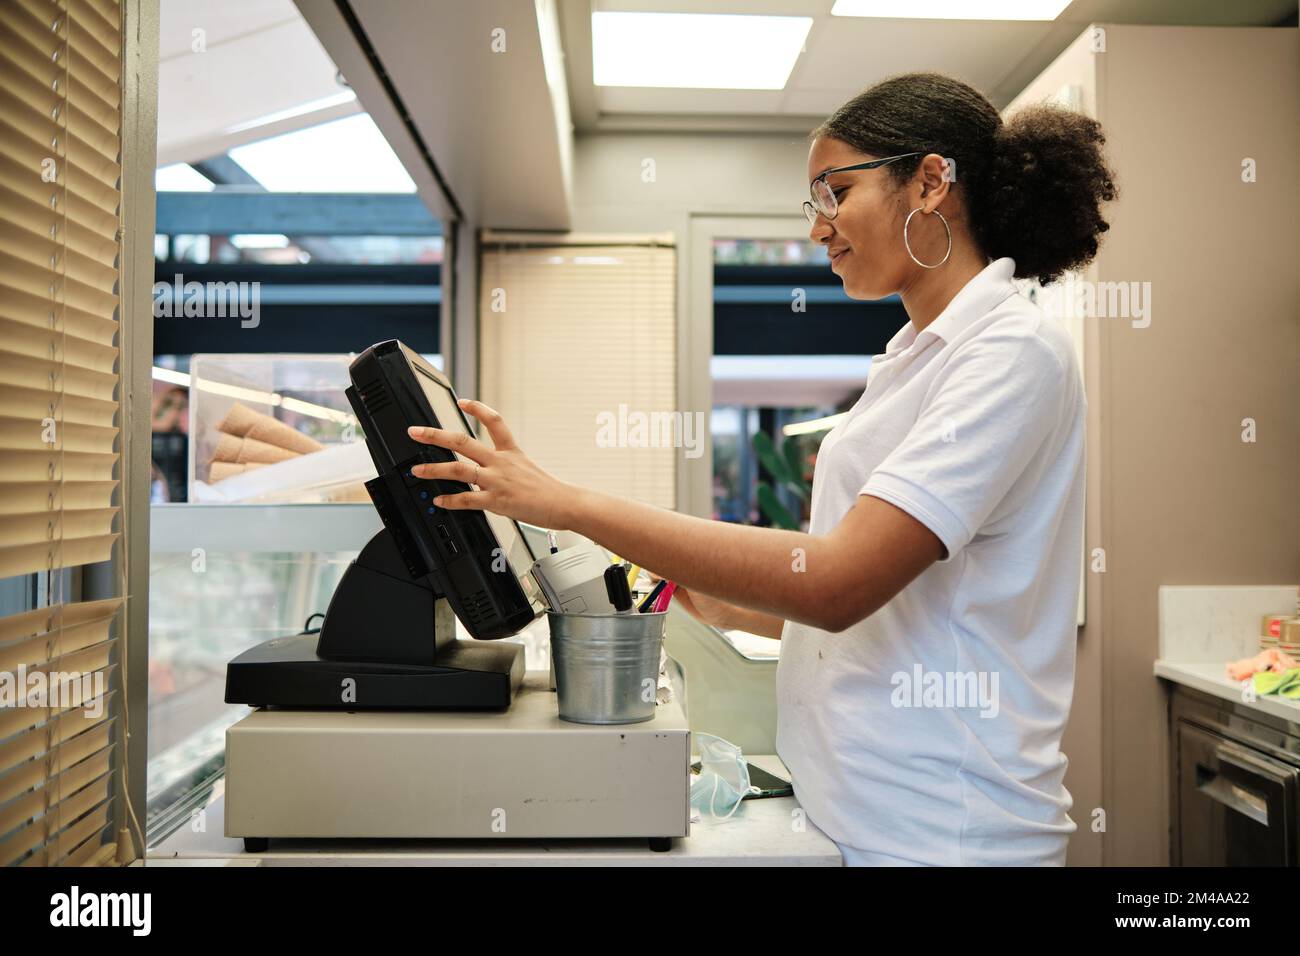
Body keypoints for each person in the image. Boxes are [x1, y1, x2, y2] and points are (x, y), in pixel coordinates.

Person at [407, 72, 1117, 866]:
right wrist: (723, 599)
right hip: (862, 809)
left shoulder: (1010, 352)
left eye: (834, 192)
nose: (820, 228)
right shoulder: (913, 360)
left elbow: (839, 584)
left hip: (943, 830)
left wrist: (570, 503)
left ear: (928, 181)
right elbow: (888, 604)